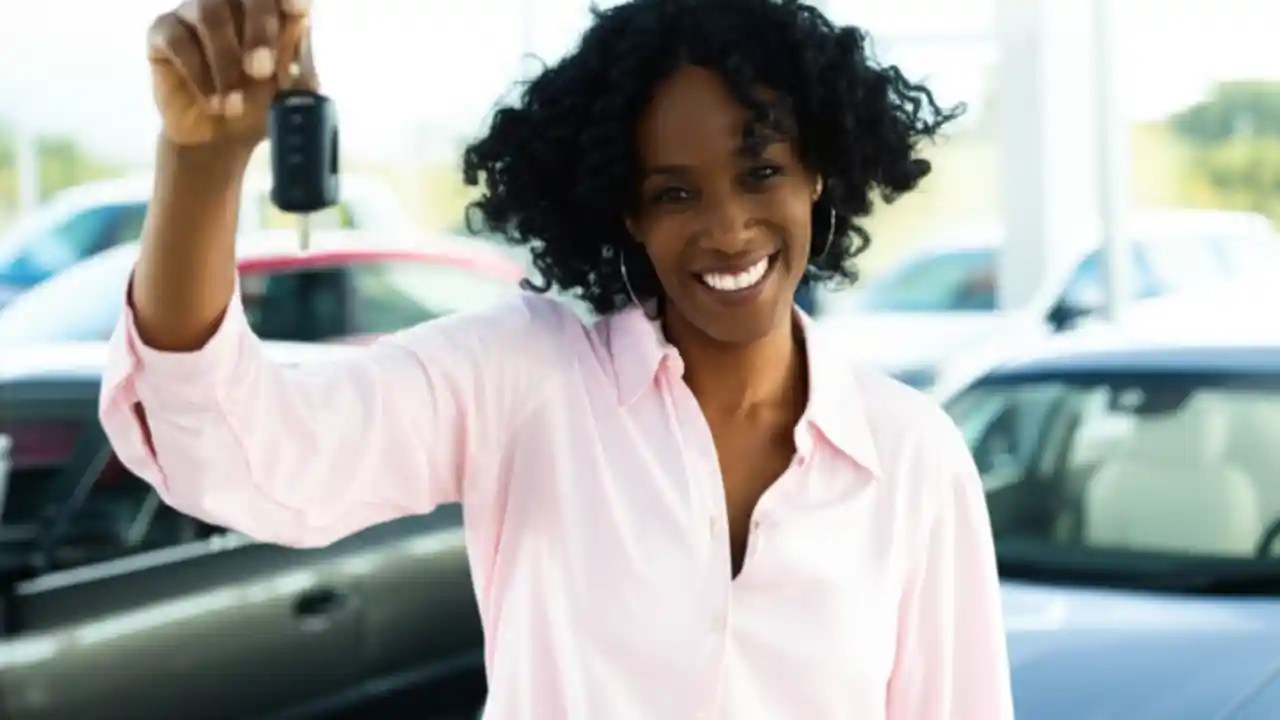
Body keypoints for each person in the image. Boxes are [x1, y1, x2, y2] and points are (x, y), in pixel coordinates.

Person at [109, 0, 1013, 717]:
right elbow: (240, 454)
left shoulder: (914, 458)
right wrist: (202, 163)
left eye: (762, 173)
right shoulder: (522, 383)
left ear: (819, 171)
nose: (729, 226)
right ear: (626, 212)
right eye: (674, 192)